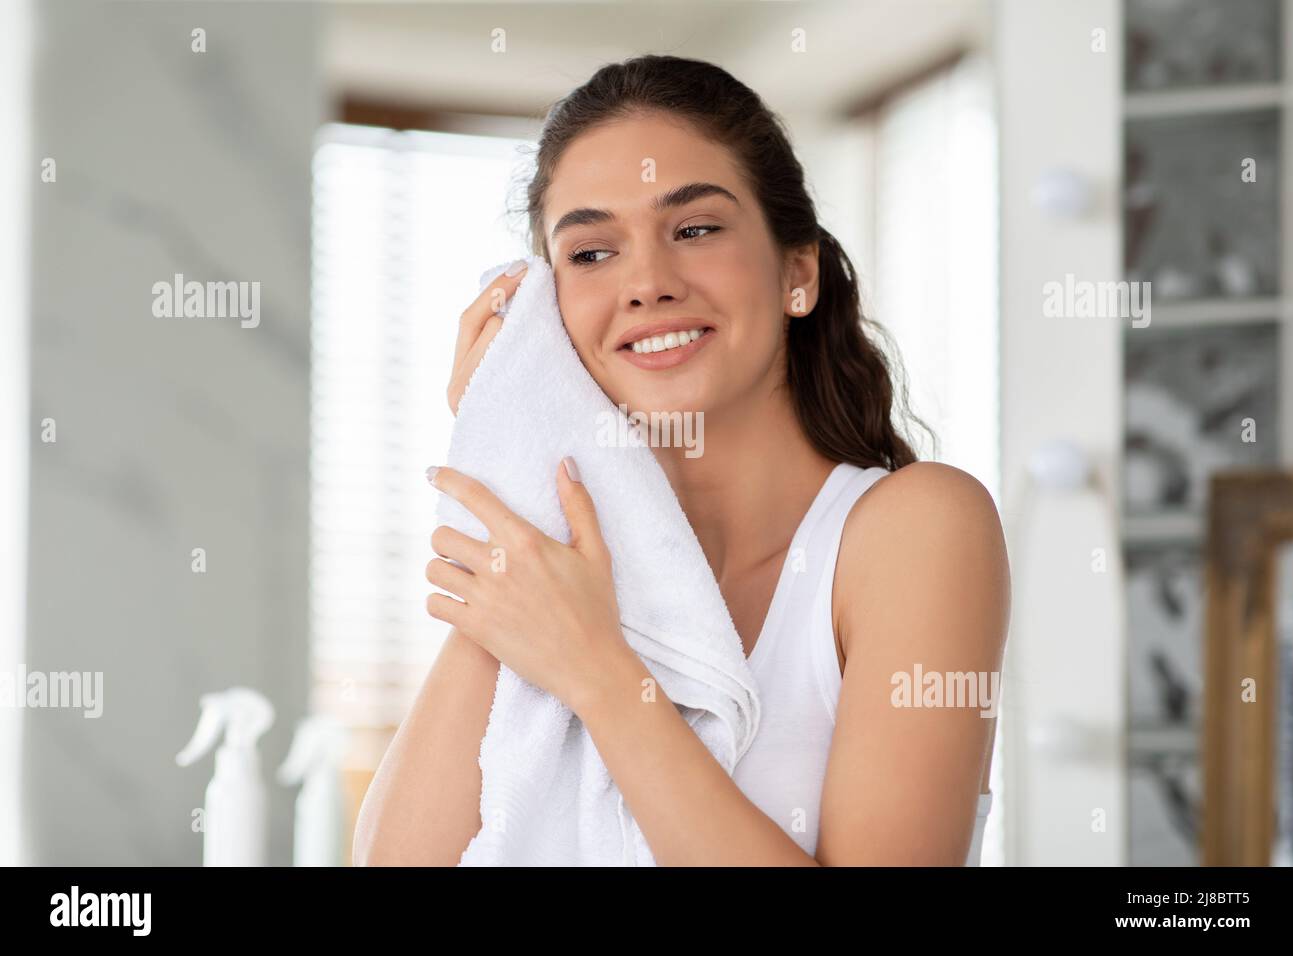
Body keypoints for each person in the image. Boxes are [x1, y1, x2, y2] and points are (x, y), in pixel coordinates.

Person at [354, 54, 1010, 866]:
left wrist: (597, 673)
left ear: (796, 271)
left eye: (695, 229)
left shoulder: (915, 529)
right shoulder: (565, 571)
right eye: (592, 253)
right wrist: (512, 473)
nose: (647, 284)